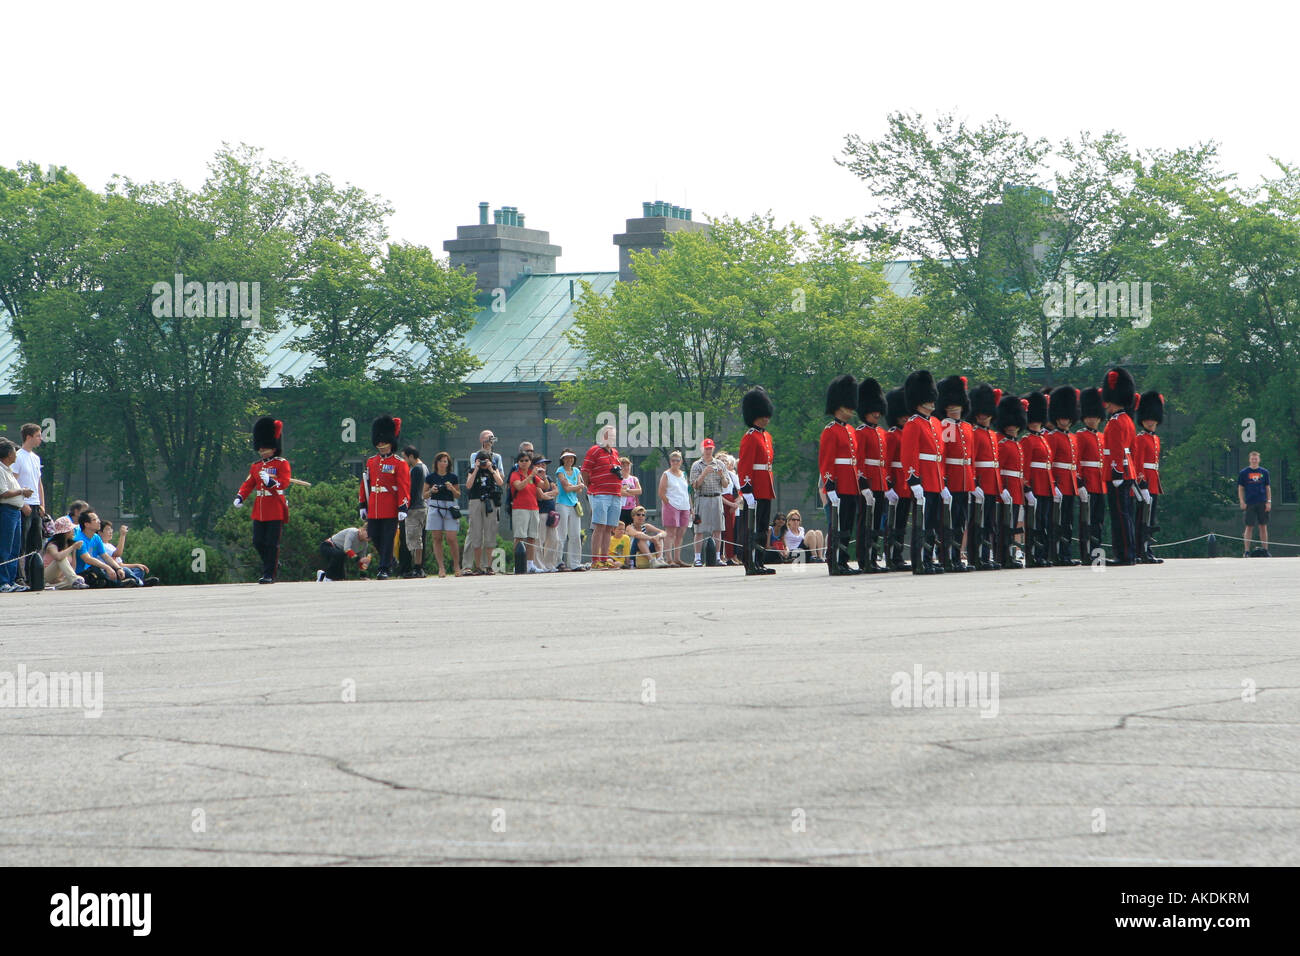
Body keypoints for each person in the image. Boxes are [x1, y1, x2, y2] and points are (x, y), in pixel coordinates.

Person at [233, 416, 291, 584]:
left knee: (272, 544)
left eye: (265, 448)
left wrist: (271, 482)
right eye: (260, 448)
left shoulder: (282, 463)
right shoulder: (256, 466)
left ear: (274, 448)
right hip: (259, 508)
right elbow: (249, 483)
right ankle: (272, 563)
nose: (262, 451)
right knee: (258, 541)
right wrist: (240, 496)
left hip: (275, 507)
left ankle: (269, 574)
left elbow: (284, 483)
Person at [900, 370, 945, 575]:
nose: (932, 401)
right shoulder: (913, 424)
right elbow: (909, 455)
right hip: (923, 480)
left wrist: (942, 483)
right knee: (922, 522)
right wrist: (913, 479)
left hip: (935, 480)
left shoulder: (935, 423)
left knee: (933, 523)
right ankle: (919, 561)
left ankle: (929, 558)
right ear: (920, 399)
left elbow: (939, 455)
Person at [819, 374, 860, 576]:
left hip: (851, 484)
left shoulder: (851, 430)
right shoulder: (830, 431)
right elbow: (826, 462)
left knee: (847, 525)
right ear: (838, 405)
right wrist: (830, 486)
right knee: (838, 525)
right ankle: (834, 561)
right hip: (839, 485)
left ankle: (843, 560)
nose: (851, 408)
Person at [360, 416, 411, 580]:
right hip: (374, 505)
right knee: (373, 536)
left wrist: (403, 506)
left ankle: (384, 568)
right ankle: (390, 560)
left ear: (391, 441)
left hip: (390, 505)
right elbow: (365, 483)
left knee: (388, 539)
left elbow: (403, 486)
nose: (380, 445)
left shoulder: (399, 463)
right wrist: (363, 504)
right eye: (379, 442)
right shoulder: (371, 461)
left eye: (384, 441)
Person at [1101, 367, 1139, 566]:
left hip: (1117, 472)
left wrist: (1115, 472)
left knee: (1119, 516)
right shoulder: (1128, 421)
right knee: (1125, 514)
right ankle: (1128, 553)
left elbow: (1116, 450)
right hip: (1127, 471)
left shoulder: (1115, 422)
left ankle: (1123, 554)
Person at [936, 375, 975, 572]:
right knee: (948, 520)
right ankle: (945, 556)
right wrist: (942, 481)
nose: (954, 408)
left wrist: (973, 482)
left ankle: (957, 555)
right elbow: (941, 456)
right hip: (950, 479)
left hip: (965, 479)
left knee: (960, 521)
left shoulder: (967, 427)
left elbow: (971, 457)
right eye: (950, 405)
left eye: (957, 405)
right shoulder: (945, 426)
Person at [738, 386, 777, 576]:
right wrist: (747, 490)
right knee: (751, 528)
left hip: (765, 487)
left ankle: (760, 561)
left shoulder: (766, 437)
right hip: (754, 489)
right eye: (762, 415)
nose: (766, 418)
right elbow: (745, 466)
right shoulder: (750, 437)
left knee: (762, 528)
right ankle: (750, 562)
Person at [853, 378, 890, 574]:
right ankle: (863, 558)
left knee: (877, 523)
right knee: (865, 522)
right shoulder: (861, 432)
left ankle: (873, 558)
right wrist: (863, 483)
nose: (877, 413)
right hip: (868, 482)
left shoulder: (881, 433)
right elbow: (859, 460)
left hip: (881, 481)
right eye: (873, 410)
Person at [1046, 386, 1083, 566]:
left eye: (1067, 418)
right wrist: (1053, 485)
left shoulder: (1074, 438)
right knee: (1057, 522)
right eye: (1061, 417)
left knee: (1068, 521)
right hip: (1059, 483)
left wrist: (1079, 482)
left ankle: (1066, 553)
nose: (1064, 421)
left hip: (1071, 484)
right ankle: (1056, 554)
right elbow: (1049, 464)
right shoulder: (1052, 437)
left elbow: (1075, 463)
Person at [967, 384, 1003, 570]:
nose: (982, 415)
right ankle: (976, 557)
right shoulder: (973, 434)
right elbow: (971, 460)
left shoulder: (992, 435)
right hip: (980, 483)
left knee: (989, 523)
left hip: (992, 484)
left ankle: (986, 555)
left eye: (986, 412)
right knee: (977, 523)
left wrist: (1000, 486)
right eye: (979, 412)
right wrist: (974, 483)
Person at [1018, 392, 1055, 568]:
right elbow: (1024, 466)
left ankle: (1043, 554)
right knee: (1035, 523)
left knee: (1044, 522)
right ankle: (1033, 555)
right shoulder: (1026, 440)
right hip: (1035, 486)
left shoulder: (1043, 439)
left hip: (1046, 485)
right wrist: (1027, 487)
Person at [582, 425, 623, 570]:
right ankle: (595, 561)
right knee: (599, 526)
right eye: (609, 436)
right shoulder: (595, 450)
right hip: (600, 493)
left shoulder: (615, 452)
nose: (612, 439)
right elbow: (585, 471)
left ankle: (604, 559)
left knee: (609, 527)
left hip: (615, 494)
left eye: (613, 436)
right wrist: (590, 486)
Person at [995, 395, 1028, 569]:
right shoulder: (1002, 444)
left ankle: (1009, 554)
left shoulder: (1017, 444)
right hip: (1007, 488)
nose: (1012, 428)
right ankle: (1003, 555)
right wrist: (1001, 488)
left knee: (1013, 523)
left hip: (1016, 489)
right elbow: (997, 468)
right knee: (1005, 524)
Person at [1076, 387, 1108, 565]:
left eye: (1095, 417)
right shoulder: (1080, 435)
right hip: (1087, 483)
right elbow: (1077, 460)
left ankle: (1097, 554)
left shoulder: (1102, 437)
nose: (1092, 419)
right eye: (1089, 416)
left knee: (1098, 521)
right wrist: (1079, 482)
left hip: (1100, 482)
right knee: (1086, 521)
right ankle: (1085, 554)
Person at [1134, 391, 1166, 564]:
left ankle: (1148, 549)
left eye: (1153, 418)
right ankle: (1140, 550)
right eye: (1147, 418)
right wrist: (1142, 484)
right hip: (1145, 482)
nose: (1150, 421)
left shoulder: (1156, 439)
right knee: (1142, 518)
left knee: (1150, 518)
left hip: (1153, 481)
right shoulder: (1140, 439)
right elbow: (1138, 463)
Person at [13, 423, 46, 591]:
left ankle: (34, 577)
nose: (41, 439)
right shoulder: (18, 456)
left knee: (36, 543)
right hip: (23, 505)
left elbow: (38, 482)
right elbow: (13, 481)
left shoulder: (35, 457)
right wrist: (22, 503)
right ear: (29, 437)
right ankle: (19, 577)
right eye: (38, 435)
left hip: (35, 505)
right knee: (22, 543)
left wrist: (42, 504)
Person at [884, 386, 912, 572]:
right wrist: (888, 485)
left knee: (901, 523)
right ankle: (891, 556)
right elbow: (886, 462)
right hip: (895, 484)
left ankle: (898, 555)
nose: (905, 416)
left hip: (906, 485)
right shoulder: (892, 435)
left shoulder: (907, 433)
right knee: (892, 524)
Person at [464, 449, 504, 575]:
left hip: (490, 502)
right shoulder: (472, 470)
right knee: (476, 534)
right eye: (480, 460)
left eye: (484, 460)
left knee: (490, 534)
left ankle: (489, 566)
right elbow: (468, 485)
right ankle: (478, 566)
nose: (482, 463)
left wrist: (491, 469)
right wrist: (476, 469)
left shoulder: (493, 469)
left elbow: (500, 482)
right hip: (475, 501)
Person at [689, 438, 728, 566]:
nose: (708, 451)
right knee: (699, 529)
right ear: (702, 449)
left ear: (713, 449)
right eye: (706, 448)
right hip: (702, 498)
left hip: (716, 498)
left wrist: (722, 475)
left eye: (710, 448)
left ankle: (717, 557)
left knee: (718, 529)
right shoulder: (697, 465)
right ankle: (697, 558)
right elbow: (695, 485)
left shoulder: (720, 464)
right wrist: (704, 473)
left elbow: (726, 484)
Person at [0, 440, 32, 593]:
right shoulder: (0, 470)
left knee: (14, 548)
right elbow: (3, 493)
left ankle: (11, 580)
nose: (16, 454)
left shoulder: (7, 470)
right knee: (5, 548)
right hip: (6, 511)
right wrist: (21, 492)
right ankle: (3, 581)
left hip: (15, 512)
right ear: (7, 454)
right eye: (13, 451)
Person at [73, 511, 136, 587]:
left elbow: (105, 556)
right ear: (87, 524)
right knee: (96, 568)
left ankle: (139, 582)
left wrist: (118, 568)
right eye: (95, 520)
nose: (99, 521)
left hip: (96, 570)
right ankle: (118, 584)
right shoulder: (79, 539)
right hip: (83, 573)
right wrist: (107, 567)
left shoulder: (96, 537)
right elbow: (88, 559)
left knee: (124, 570)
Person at [424, 452, 461, 578]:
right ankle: (441, 567)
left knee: (451, 538)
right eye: (441, 461)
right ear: (436, 463)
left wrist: (452, 489)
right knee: (437, 538)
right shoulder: (430, 477)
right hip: (435, 506)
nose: (443, 463)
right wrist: (431, 491)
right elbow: (423, 495)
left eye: (445, 461)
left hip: (449, 506)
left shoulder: (453, 477)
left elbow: (458, 495)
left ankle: (456, 566)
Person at [511, 451, 546, 573]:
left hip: (534, 508)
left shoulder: (533, 474)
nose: (524, 463)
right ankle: (518, 564)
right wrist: (530, 477)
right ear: (518, 462)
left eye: (527, 460)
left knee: (532, 537)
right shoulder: (515, 474)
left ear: (530, 462)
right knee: (520, 537)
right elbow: (519, 486)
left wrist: (543, 475)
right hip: (520, 508)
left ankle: (530, 564)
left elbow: (544, 486)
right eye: (522, 461)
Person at [98, 519, 159, 586]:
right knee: (126, 570)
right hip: (110, 572)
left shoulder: (110, 546)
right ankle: (140, 583)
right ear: (100, 532)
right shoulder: (101, 545)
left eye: (111, 529)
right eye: (108, 529)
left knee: (139, 569)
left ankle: (132, 582)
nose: (111, 532)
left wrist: (136, 565)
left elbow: (120, 564)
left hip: (120, 570)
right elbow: (117, 553)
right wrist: (122, 535)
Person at [657, 449, 691, 567]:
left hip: (684, 506)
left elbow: (688, 491)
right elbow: (661, 492)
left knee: (681, 533)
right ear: (670, 461)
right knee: (670, 533)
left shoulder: (684, 474)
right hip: (671, 506)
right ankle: (669, 559)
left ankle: (677, 558)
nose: (675, 462)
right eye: (673, 460)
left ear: (681, 461)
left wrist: (691, 507)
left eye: (677, 460)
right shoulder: (666, 474)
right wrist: (669, 503)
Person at [554, 449, 586, 571]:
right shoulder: (560, 470)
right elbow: (566, 488)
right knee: (561, 534)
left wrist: (576, 486)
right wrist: (577, 486)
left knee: (575, 534)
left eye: (571, 457)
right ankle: (558, 561)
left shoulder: (576, 470)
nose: (569, 460)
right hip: (562, 503)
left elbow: (578, 490)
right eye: (567, 458)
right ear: (562, 459)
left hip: (573, 504)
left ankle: (575, 563)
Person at [402, 447, 429, 578]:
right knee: (418, 538)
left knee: (414, 538)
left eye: (405, 457)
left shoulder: (417, 469)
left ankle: (418, 567)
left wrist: (405, 507)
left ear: (411, 456)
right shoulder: (424, 467)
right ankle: (418, 566)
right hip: (423, 507)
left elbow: (411, 491)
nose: (404, 460)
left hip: (415, 508)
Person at [1238, 450, 1270, 556]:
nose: (1254, 460)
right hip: (1250, 503)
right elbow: (1241, 488)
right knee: (1249, 526)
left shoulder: (1264, 472)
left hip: (1262, 502)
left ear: (1259, 460)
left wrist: (1268, 502)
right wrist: (1242, 501)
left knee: (1263, 526)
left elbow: (1267, 488)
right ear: (1249, 460)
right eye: (1252, 459)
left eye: (1256, 459)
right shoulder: (1244, 473)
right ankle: (1246, 551)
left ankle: (1265, 550)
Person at [43, 516, 89, 590]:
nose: (73, 531)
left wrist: (63, 577)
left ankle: (50, 586)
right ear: (65, 532)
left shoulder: (71, 545)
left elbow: (72, 567)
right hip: (47, 575)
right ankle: (73, 581)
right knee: (61, 558)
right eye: (71, 530)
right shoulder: (52, 545)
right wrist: (73, 547)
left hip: (60, 578)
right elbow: (58, 557)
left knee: (80, 579)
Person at [719, 454, 743, 565]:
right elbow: (717, 494)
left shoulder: (732, 475)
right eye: (721, 460)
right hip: (721, 502)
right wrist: (730, 504)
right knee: (719, 530)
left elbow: (739, 492)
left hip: (731, 505)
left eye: (725, 460)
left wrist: (736, 503)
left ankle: (730, 556)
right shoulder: (714, 474)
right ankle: (719, 555)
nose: (723, 462)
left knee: (730, 531)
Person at [617, 457, 642, 526]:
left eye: (628, 466)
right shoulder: (617, 479)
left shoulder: (634, 479)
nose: (626, 468)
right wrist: (632, 493)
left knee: (631, 528)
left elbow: (639, 491)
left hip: (632, 509)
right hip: (620, 509)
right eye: (623, 466)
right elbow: (620, 492)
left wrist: (627, 490)